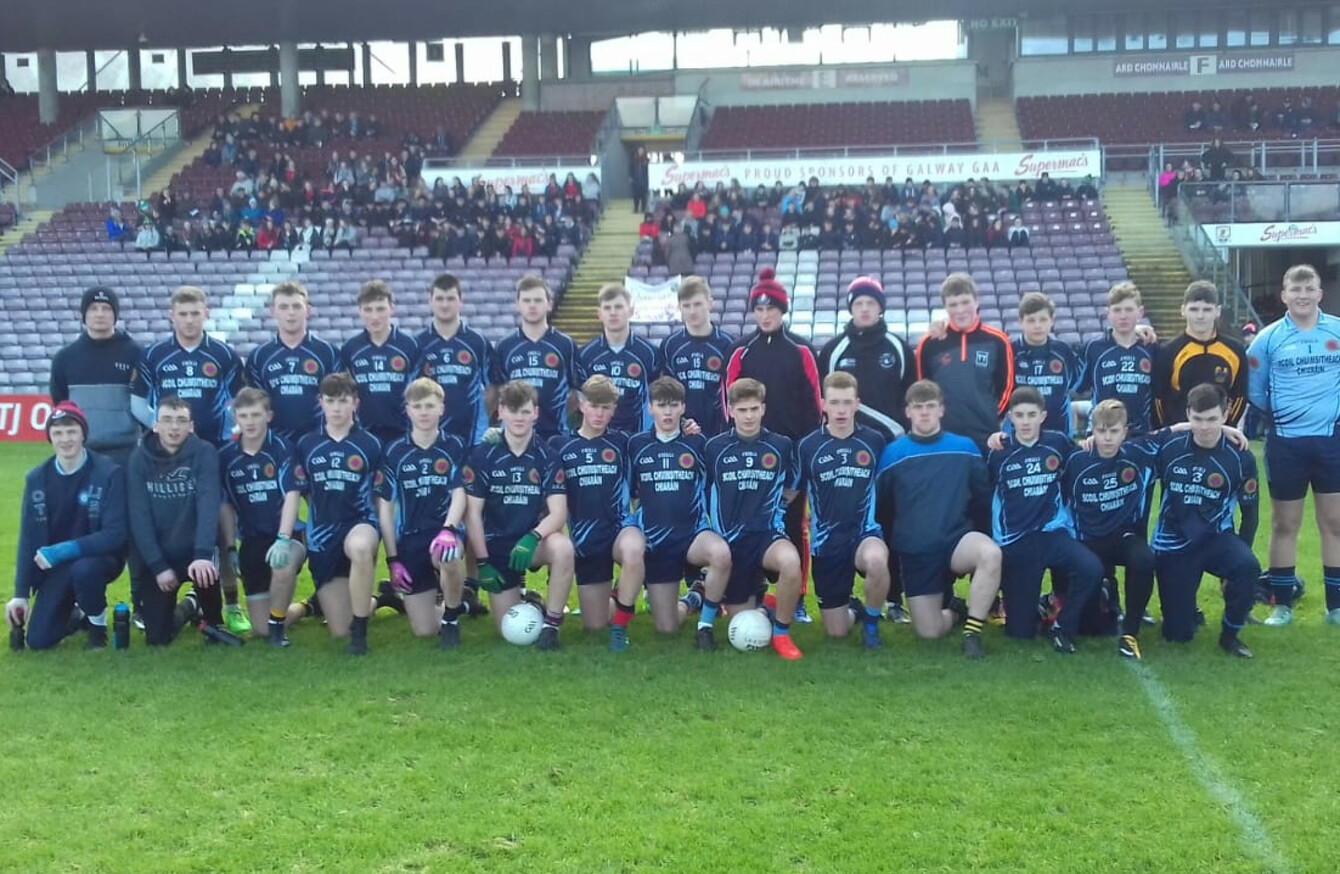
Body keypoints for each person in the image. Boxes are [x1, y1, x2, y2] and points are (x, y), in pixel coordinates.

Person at [132, 285, 248, 632]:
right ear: (172, 317)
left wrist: (227, 434)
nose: (189, 320)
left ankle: (230, 604)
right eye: (182, 314)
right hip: (164, 456)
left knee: (221, 528)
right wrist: (165, 428)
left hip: (211, 452)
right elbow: (137, 403)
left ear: (206, 314)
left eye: (195, 313)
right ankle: (151, 600)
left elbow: (237, 403)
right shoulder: (154, 355)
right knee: (158, 520)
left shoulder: (224, 356)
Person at [725, 268, 822, 622]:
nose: (765, 315)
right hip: (747, 461)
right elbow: (728, 408)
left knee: (794, 526)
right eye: (759, 309)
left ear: (783, 310)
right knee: (745, 525)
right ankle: (748, 590)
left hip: (789, 460)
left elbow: (815, 413)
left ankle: (794, 597)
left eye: (772, 308)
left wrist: (797, 473)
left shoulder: (802, 351)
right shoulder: (740, 352)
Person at [876, 380, 1000, 658]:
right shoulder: (894, 454)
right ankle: (956, 612)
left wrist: (984, 532)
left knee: (990, 554)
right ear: (907, 412)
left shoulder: (964, 448)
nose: (924, 413)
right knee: (929, 633)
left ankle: (972, 632)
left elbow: (984, 499)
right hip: (917, 551)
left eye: (930, 406)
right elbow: (880, 507)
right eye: (918, 407)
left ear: (942, 410)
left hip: (956, 542)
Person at [1246, 263, 1340, 627]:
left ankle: (1335, 608)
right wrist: (1287, 416)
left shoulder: (1336, 331)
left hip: (1330, 442)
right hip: (1286, 444)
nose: (1302, 295)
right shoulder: (1267, 340)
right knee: (1286, 523)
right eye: (1295, 289)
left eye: (1309, 288)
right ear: (1284, 295)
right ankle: (1281, 605)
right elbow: (1256, 391)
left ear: (1320, 293)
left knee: (1334, 523)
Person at [816, 275, 914, 623]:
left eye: (871, 303)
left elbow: (911, 397)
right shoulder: (834, 350)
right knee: (842, 519)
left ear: (880, 308)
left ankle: (893, 598)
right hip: (843, 453)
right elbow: (822, 403)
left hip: (888, 450)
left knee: (890, 521)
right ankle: (842, 597)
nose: (865, 309)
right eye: (859, 303)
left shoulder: (898, 347)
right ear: (851, 308)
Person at [986, 387, 1102, 653]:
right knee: (1020, 634)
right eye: (1019, 415)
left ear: (1043, 416)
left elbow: (1083, 464)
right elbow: (983, 491)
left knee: (1091, 569)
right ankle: (1039, 606)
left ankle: (1064, 625)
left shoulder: (1058, 442)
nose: (1025, 421)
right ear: (1009, 418)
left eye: (1031, 415)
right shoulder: (998, 451)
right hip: (1016, 541)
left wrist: (1088, 443)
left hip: (1052, 533)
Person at [620, 376, 732, 651]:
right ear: (650, 408)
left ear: (683, 407)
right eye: (661, 405)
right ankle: (694, 598)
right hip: (656, 542)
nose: (667, 412)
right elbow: (631, 493)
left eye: (673, 406)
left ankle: (704, 627)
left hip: (692, 535)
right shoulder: (636, 445)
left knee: (721, 554)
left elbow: (710, 487)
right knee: (667, 627)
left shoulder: (698, 444)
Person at [462, 380, 574, 650]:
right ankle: (531, 601)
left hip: (532, 542)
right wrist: (483, 562)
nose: (519, 418)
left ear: (536, 413)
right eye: (513, 411)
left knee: (563, 548)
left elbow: (558, 513)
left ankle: (551, 626)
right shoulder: (482, 455)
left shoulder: (547, 456)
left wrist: (534, 536)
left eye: (525, 411)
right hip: (497, 547)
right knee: (508, 630)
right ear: (500, 412)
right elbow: (472, 515)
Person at [1148, 384, 1258, 657]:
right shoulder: (1169, 447)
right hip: (1174, 543)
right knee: (1178, 636)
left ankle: (1230, 635)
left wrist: (1241, 555)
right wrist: (1176, 428)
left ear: (1226, 414)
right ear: (1188, 415)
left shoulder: (1241, 456)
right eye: (1197, 419)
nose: (1205, 427)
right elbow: (1131, 444)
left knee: (1247, 566)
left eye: (1212, 419)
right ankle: (1185, 612)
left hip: (1215, 538)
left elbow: (1251, 514)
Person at [277, 374, 383, 655]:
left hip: (359, 525)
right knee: (338, 629)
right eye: (331, 401)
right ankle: (373, 601)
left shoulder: (370, 444)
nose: (337, 408)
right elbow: (295, 494)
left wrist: (388, 545)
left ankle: (360, 634)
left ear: (355, 404)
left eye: (343, 401)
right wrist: (284, 537)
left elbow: (381, 498)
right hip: (323, 537)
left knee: (360, 548)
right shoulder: (306, 445)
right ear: (320, 403)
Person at [7, 403, 127, 650]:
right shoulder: (36, 478)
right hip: (58, 567)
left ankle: (98, 627)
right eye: (58, 433)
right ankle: (77, 615)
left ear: (83, 433)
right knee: (38, 641)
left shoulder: (109, 472)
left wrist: (64, 550)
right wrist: (20, 594)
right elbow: (28, 538)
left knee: (84, 570)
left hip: (98, 559)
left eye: (71, 431)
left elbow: (116, 534)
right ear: (49, 437)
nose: (65, 439)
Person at [704, 379, 806, 660]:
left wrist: (776, 510)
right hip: (732, 542)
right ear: (731, 411)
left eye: (753, 409)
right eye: (742, 409)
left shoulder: (781, 445)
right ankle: (766, 605)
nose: (748, 416)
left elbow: (793, 486)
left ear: (763, 409)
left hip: (766, 535)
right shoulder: (714, 448)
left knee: (790, 561)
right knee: (741, 619)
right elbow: (704, 490)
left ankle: (782, 635)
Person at [126, 396, 235, 647]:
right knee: (157, 639)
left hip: (196, 552)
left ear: (191, 426)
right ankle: (190, 605)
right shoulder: (139, 458)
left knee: (214, 632)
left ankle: (210, 614)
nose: (174, 427)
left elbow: (208, 505)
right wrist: (157, 565)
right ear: (155, 425)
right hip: (161, 556)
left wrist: (202, 554)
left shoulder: (205, 452)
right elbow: (138, 516)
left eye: (181, 421)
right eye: (167, 420)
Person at [374, 378, 471, 647]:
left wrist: (449, 529)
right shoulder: (394, 451)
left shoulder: (456, 446)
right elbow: (385, 509)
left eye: (430, 405)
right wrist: (393, 559)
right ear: (407, 410)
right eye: (417, 406)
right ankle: (448, 606)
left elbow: (460, 493)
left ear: (442, 408)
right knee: (424, 631)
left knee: (449, 556)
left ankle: (451, 618)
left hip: (443, 533)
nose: (424, 412)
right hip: (410, 539)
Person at [796, 373, 889, 647]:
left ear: (857, 404)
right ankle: (855, 611)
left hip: (864, 534)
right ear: (823, 404)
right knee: (837, 632)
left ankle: (872, 625)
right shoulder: (808, 445)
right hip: (827, 544)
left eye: (847, 402)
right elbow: (792, 493)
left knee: (876, 560)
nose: (840, 410)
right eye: (834, 402)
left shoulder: (875, 441)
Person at [552, 376, 645, 641]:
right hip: (585, 540)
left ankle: (620, 628)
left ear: (614, 409)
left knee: (634, 550)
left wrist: (687, 427)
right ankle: (618, 597)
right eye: (594, 406)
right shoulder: (560, 446)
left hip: (619, 530)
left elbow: (660, 440)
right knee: (594, 625)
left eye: (606, 407)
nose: (600, 413)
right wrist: (496, 438)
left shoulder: (625, 443)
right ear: (582, 405)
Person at [217, 388, 308, 647]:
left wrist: (283, 538)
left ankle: (279, 627)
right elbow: (225, 507)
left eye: (256, 414)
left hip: (286, 535)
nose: (250, 421)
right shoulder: (226, 457)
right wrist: (232, 547)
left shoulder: (282, 448)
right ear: (235, 417)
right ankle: (307, 607)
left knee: (282, 565)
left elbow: (292, 495)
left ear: (268, 416)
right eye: (243, 415)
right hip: (252, 540)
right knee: (260, 629)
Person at [915, 273, 1014, 449]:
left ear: (977, 301)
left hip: (986, 436)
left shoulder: (997, 340)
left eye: (965, 302)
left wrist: (990, 415)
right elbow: (923, 391)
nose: (960, 310)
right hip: (943, 436)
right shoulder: (929, 344)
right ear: (945, 307)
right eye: (953, 304)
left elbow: (1006, 388)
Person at [49, 287, 143, 465]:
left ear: (115, 314)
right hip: (82, 451)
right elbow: (61, 404)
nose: (100, 314)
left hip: (126, 451)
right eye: (93, 308)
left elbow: (145, 400)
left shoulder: (136, 354)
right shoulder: (65, 358)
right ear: (84, 314)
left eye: (106, 309)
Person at [245, 282, 340, 443]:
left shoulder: (328, 353)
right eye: (283, 307)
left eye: (296, 306)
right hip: (274, 444)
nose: (291, 313)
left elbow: (340, 400)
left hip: (320, 441)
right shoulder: (259, 356)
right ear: (273, 312)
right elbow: (254, 405)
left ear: (307, 310)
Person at [491, 275, 580, 440]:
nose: (532, 305)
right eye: (526, 300)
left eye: (538, 300)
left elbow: (576, 393)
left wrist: (558, 415)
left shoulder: (565, 344)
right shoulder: (505, 346)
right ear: (518, 305)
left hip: (555, 435)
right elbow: (497, 391)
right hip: (514, 438)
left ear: (549, 305)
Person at [414, 274, 495, 446]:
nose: (445, 304)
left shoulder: (478, 342)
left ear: (461, 301)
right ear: (430, 301)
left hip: (473, 439)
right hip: (430, 440)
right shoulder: (418, 344)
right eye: (440, 299)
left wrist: (478, 418)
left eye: (450, 298)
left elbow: (493, 389)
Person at [1154, 281, 1248, 428]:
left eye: (1207, 309)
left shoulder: (1235, 350)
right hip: (1179, 438)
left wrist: (1226, 427)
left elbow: (1240, 397)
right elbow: (1158, 401)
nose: (1200, 316)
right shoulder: (1167, 351)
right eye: (1194, 309)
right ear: (1183, 310)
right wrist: (1167, 433)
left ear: (1217, 311)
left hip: (1219, 435)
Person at [339, 280, 420, 446]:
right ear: (359, 311)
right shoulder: (350, 348)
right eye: (368, 310)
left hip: (404, 435)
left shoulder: (410, 346)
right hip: (362, 435)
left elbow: (421, 391)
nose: (374, 316)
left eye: (380, 309)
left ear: (392, 308)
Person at [657, 276, 734, 437]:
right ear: (679, 307)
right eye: (687, 305)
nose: (692, 311)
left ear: (710, 303)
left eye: (698, 304)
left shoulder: (728, 345)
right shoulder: (670, 346)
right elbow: (665, 393)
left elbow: (733, 393)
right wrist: (682, 422)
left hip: (720, 433)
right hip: (681, 433)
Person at [577, 284, 659, 433]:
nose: (613, 313)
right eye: (607, 308)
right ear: (599, 314)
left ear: (631, 311)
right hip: (598, 441)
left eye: (619, 307)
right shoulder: (585, 355)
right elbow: (580, 400)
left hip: (636, 438)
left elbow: (658, 398)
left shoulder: (650, 353)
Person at [1081, 282, 1158, 436]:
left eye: (1129, 309)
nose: (1123, 315)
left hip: (1141, 436)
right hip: (1102, 434)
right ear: (1108, 313)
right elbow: (1078, 386)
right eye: (1117, 310)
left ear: (1140, 312)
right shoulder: (1093, 348)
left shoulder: (1152, 348)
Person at [1011, 292, 1083, 438]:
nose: (1037, 325)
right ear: (1020, 322)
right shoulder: (1011, 351)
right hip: (1019, 436)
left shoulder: (1063, 351)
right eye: (1031, 320)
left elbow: (1075, 383)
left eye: (1043, 319)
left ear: (1052, 321)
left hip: (1060, 433)